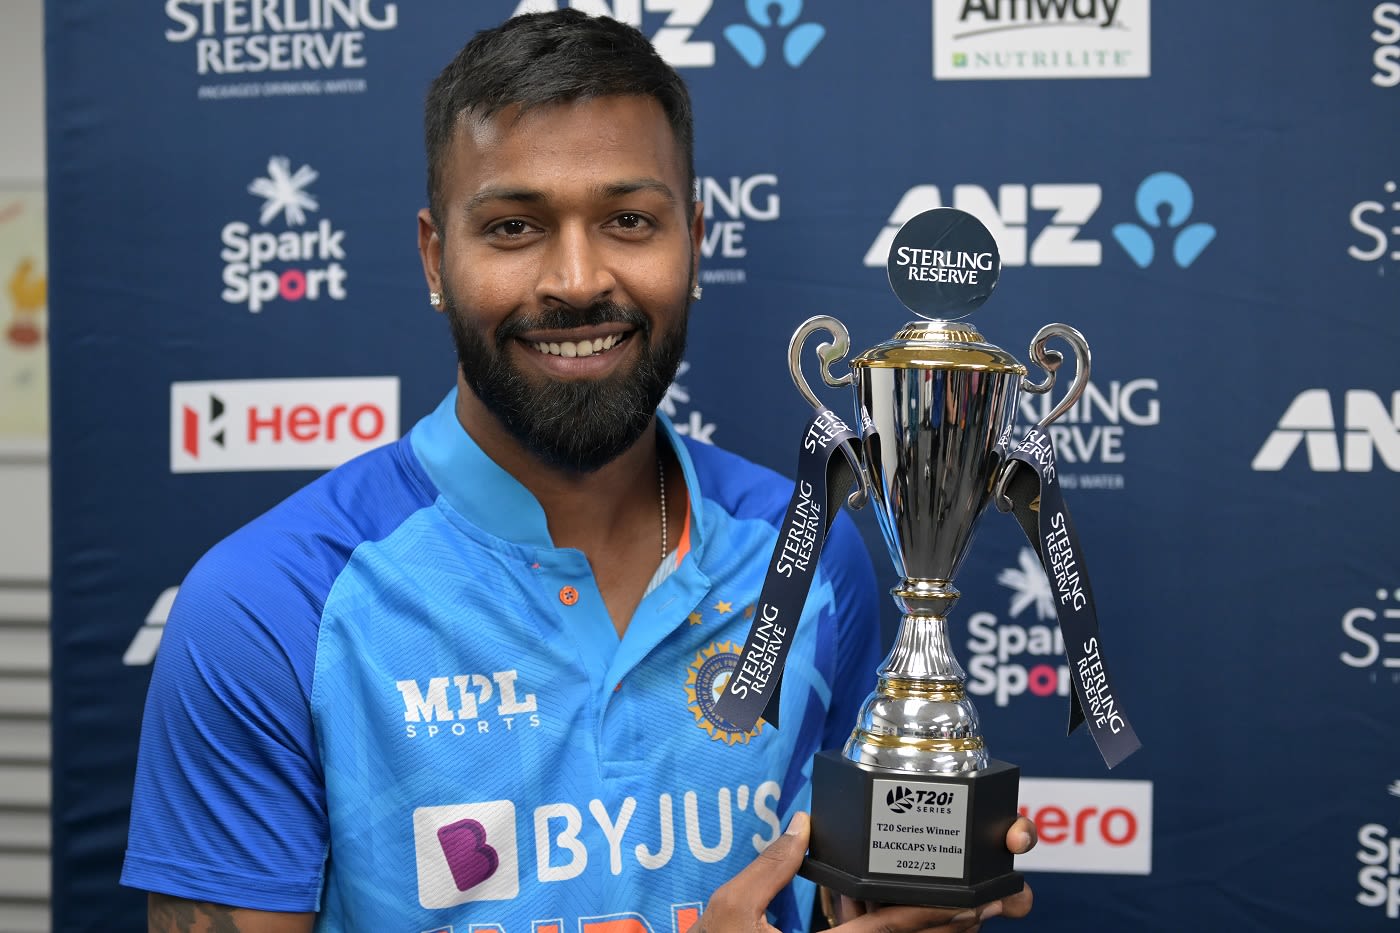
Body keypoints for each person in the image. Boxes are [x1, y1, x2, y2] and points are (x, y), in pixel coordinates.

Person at [122, 10, 1036, 932]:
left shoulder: (809, 559)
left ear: (697, 240)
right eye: (514, 226)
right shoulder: (266, 607)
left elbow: (836, 889)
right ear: (437, 256)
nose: (576, 278)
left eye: (629, 220)